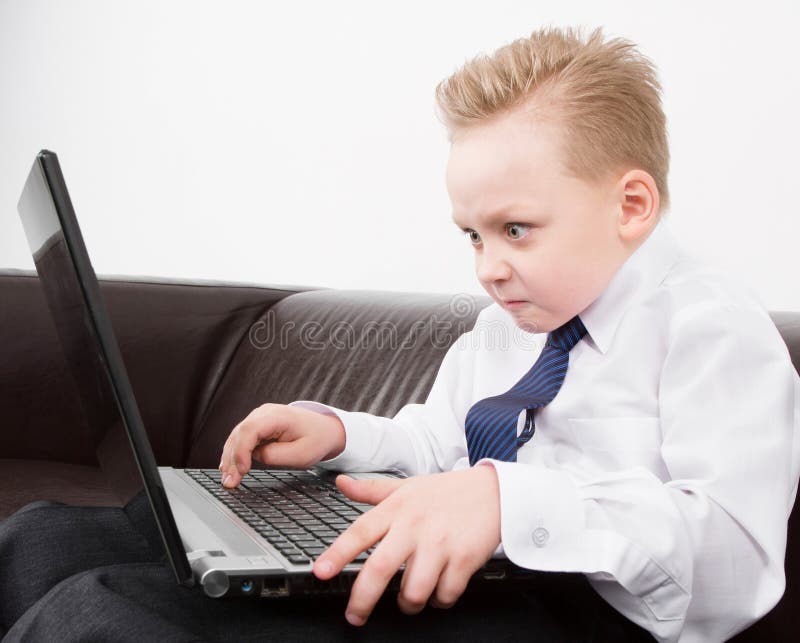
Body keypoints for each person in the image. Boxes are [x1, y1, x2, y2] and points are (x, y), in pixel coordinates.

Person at [1, 25, 797, 643]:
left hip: (571, 613)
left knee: (94, 612)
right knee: (41, 539)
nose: (488, 266)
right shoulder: (504, 329)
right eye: (473, 236)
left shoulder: (711, 330)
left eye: (516, 229)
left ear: (631, 206)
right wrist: (340, 432)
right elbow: (439, 444)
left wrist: (508, 502)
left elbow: (734, 560)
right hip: (458, 575)